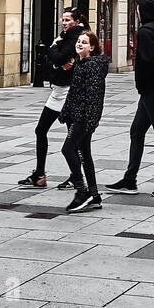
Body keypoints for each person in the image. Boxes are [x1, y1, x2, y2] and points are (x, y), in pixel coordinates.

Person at [105, 0, 154, 197]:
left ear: (144, 13)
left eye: (139, 10)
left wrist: (141, 85)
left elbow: (146, 63)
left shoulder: (147, 32)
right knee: (136, 131)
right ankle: (129, 179)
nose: (137, 13)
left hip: (153, 91)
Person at [20, 8, 87, 188]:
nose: (64, 23)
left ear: (76, 21)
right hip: (57, 91)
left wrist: (54, 48)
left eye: (67, 20)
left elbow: (58, 58)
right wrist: (56, 59)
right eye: (63, 20)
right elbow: (53, 62)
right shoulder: (65, 37)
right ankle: (40, 174)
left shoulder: (74, 37)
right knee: (41, 130)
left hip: (68, 92)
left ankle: (75, 176)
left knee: (71, 136)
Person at [59, 31, 111, 213]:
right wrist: (66, 111)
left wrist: (91, 119)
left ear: (93, 47)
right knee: (84, 153)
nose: (79, 44)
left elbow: (95, 95)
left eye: (84, 42)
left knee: (68, 149)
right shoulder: (81, 63)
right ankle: (95, 195)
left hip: (84, 116)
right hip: (78, 114)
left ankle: (82, 192)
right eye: (79, 42)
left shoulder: (93, 66)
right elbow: (75, 92)